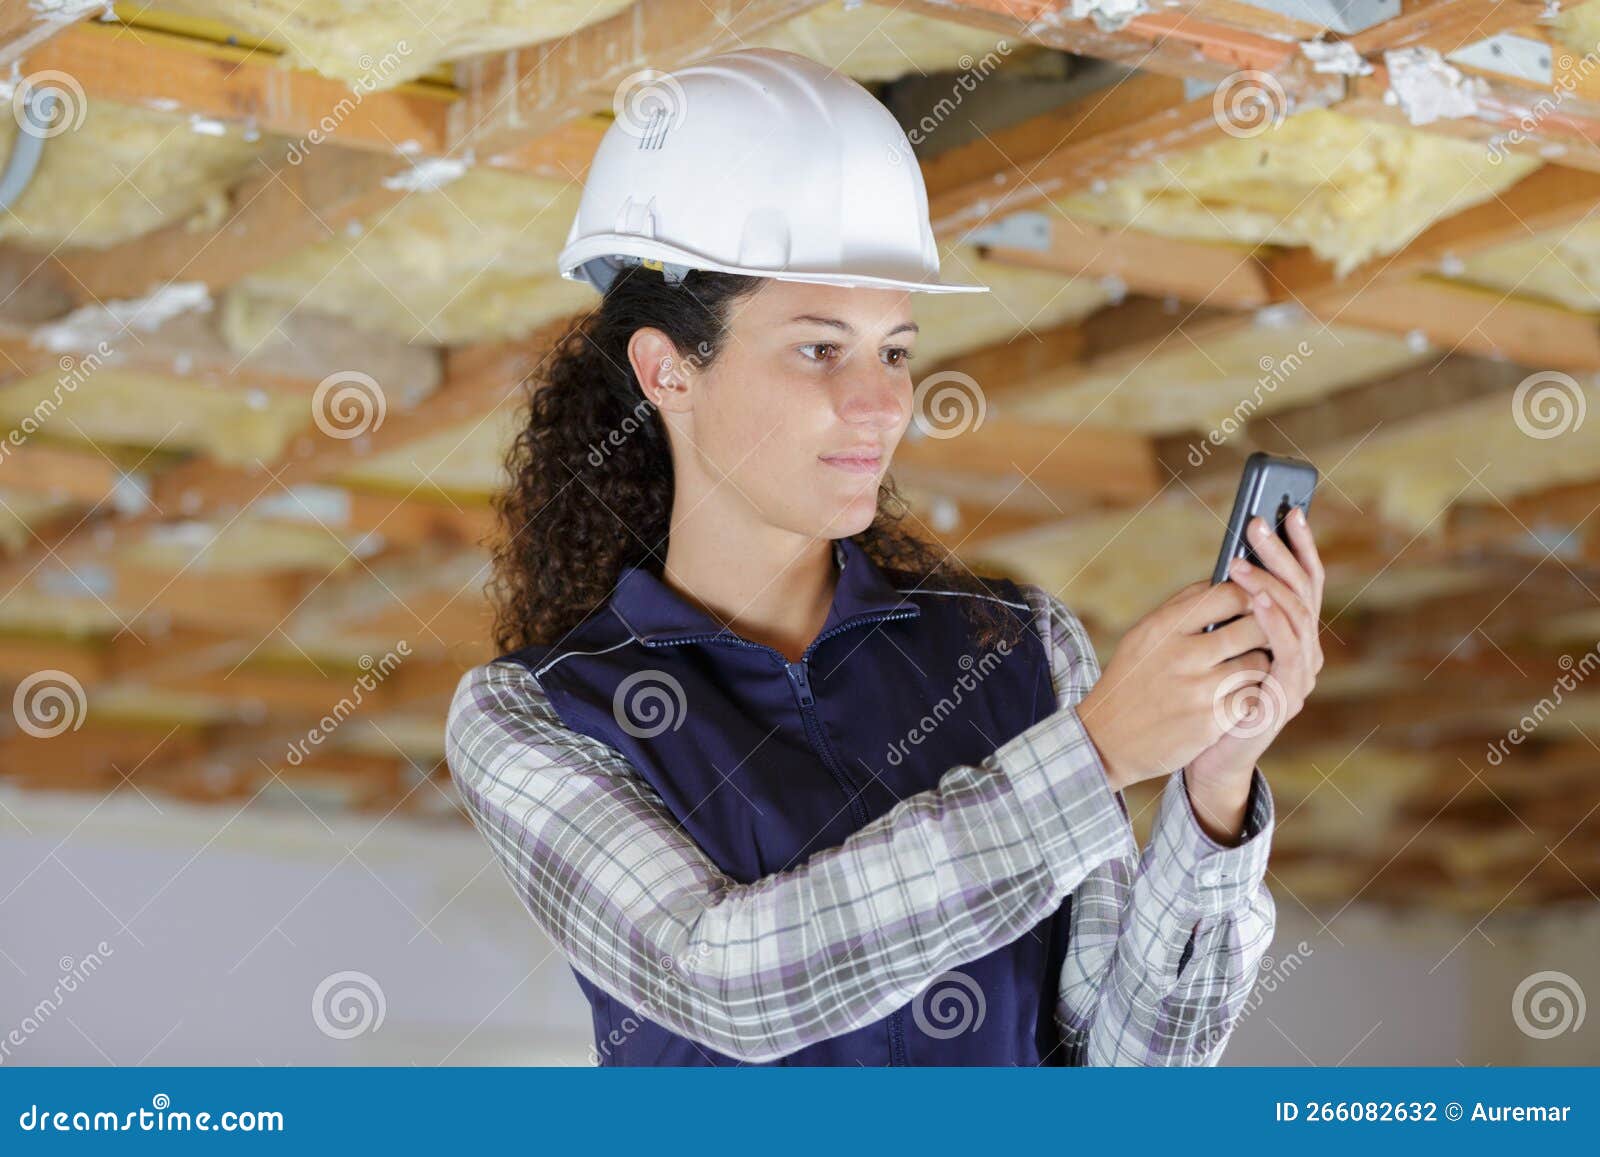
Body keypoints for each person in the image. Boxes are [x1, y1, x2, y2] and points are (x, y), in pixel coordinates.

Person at [444, 47, 1324, 1066]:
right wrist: (1097, 756)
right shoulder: (539, 715)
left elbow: (1129, 1076)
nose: (880, 403)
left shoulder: (1018, 649)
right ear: (667, 370)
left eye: (894, 350)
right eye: (820, 348)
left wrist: (1216, 783)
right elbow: (726, 982)